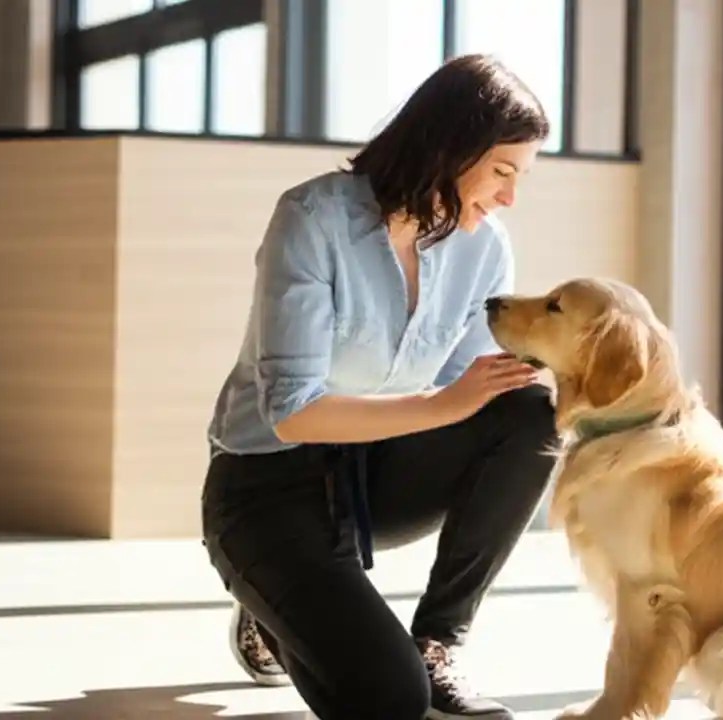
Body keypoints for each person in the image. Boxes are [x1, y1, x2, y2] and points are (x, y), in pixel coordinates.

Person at [200, 53, 558, 720]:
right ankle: (270, 604)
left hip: (376, 478)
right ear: (450, 147)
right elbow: (291, 411)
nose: (510, 196)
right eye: (502, 171)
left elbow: (469, 395)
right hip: (265, 488)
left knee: (532, 413)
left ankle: (438, 640)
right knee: (390, 700)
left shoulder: (485, 246)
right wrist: (448, 403)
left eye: (522, 177)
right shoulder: (313, 218)